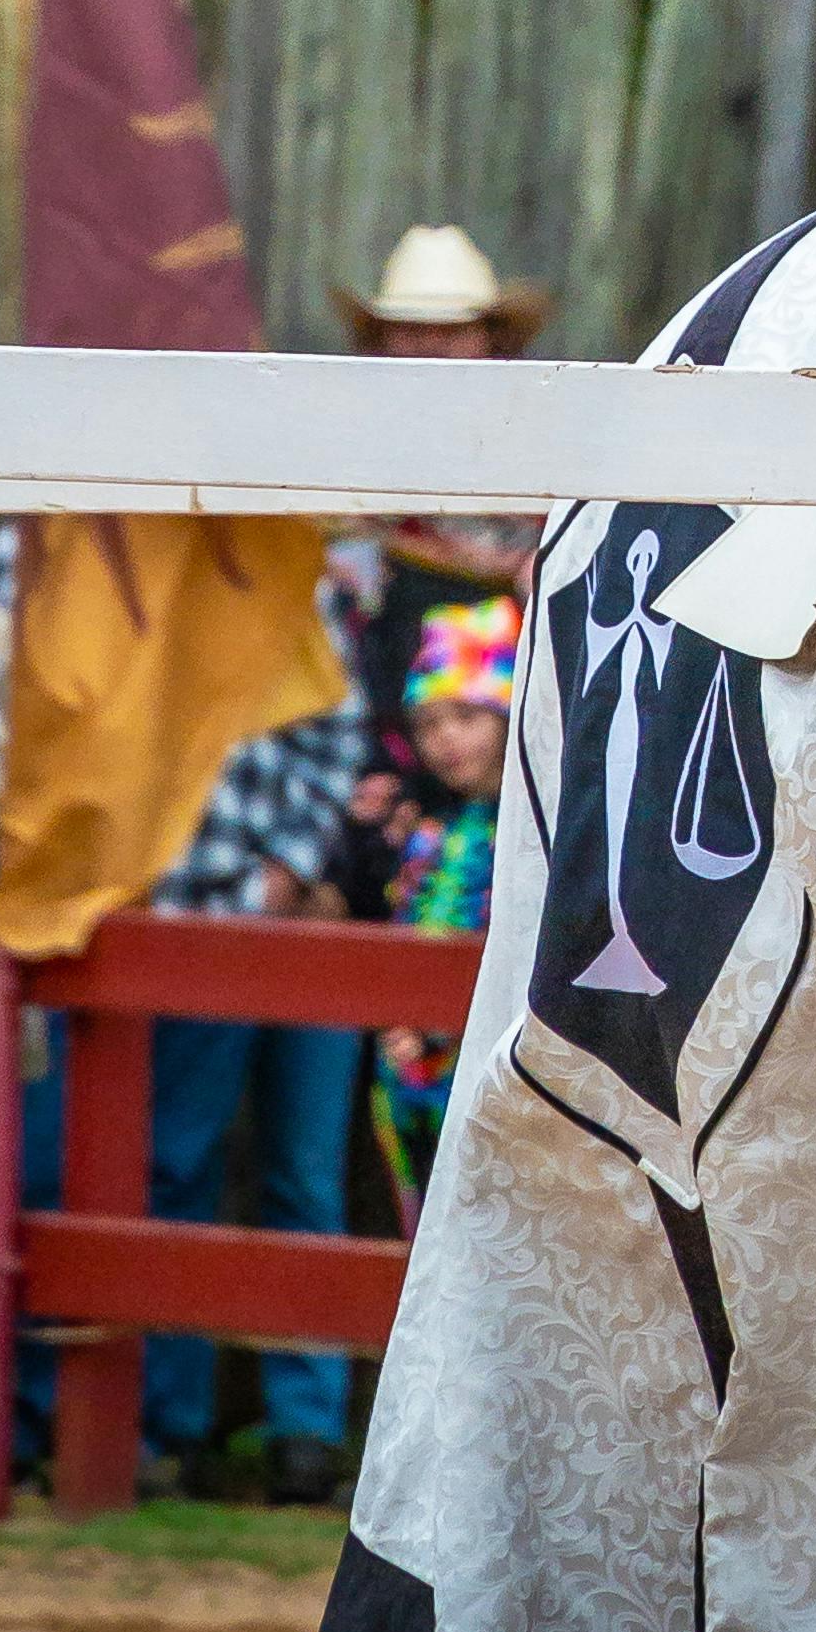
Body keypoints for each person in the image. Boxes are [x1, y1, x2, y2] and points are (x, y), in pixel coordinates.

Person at [140, 662, 374, 1504]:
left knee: (304, 1177)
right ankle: (169, 1427)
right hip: (183, 919)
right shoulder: (143, 596)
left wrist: (292, 862)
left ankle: (303, 1434)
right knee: (178, 1168)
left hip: (300, 912)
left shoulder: (291, 585)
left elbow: (343, 726)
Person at [320, 595, 516, 1225]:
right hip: (407, 1087)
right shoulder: (426, 833)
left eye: (467, 716)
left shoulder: (534, 838)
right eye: (429, 724)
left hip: (493, 1079)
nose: (446, 739)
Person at [323, 223, 542, 787]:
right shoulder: (346, 440)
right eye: (410, 331)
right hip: (382, 693)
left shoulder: (535, 438)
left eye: (451, 331)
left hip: (507, 705)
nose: (429, 346)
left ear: (490, 341)